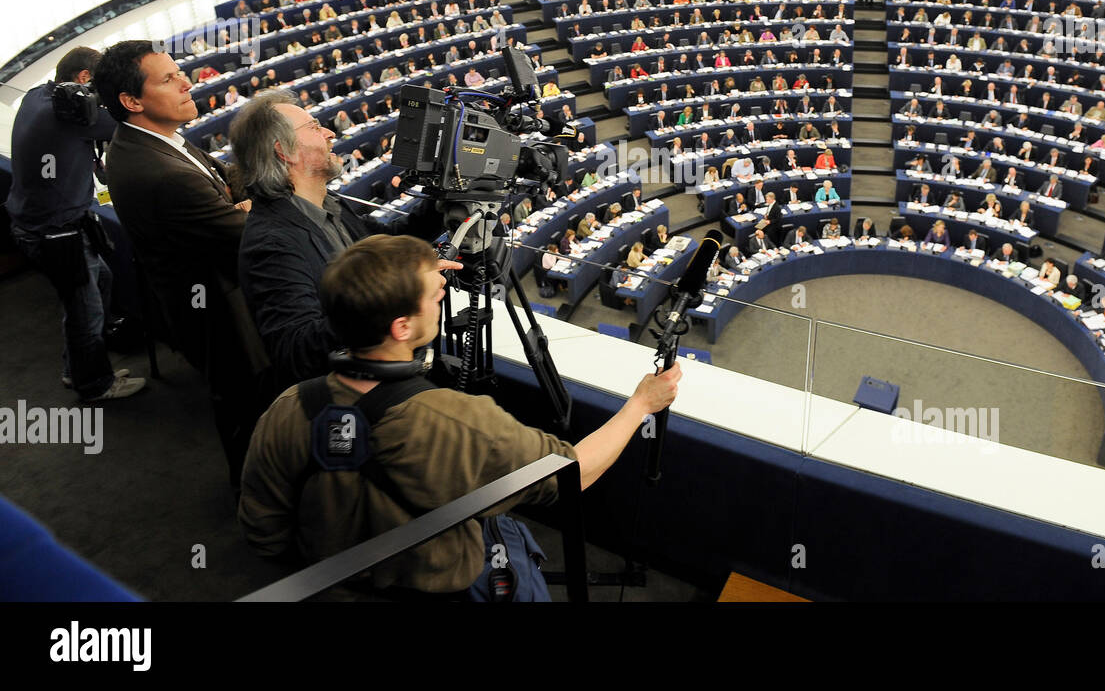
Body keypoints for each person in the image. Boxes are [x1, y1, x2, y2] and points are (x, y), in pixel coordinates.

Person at [238, 234, 681, 597]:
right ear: (402, 328)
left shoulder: (287, 407)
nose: (444, 293)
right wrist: (641, 403)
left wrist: (413, 273)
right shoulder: (454, 420)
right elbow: (571, 474)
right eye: (434, 296)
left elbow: (264, 532)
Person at [94, 41, 263, 483]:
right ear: (132, 101)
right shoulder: (158, 170)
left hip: (205, 293)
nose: (188, 81)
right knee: (247, 408)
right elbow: (244, 231)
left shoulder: (153, 138)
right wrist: (240, 209)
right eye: (169, 79)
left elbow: (226, 183)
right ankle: (259, 504)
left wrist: (235, 204)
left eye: (179, 72)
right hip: (218, 312)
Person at [231, 92, 393, 396]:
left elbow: (386, 239)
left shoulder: (330, 202)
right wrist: (390, 296)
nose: (330, 133)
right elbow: (298, 351)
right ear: (285, 152)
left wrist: (439, 205)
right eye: (316, 128)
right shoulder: (271, 243)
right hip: (347, 398)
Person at [6, 47, 144, 401]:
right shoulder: (72, 114)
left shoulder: (39, 96)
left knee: (98, 284)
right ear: (85, 80)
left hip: (41, 225)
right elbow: (127, 120)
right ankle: (94, 384)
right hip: (56, 233)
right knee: (86, 309)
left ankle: (75, 368)